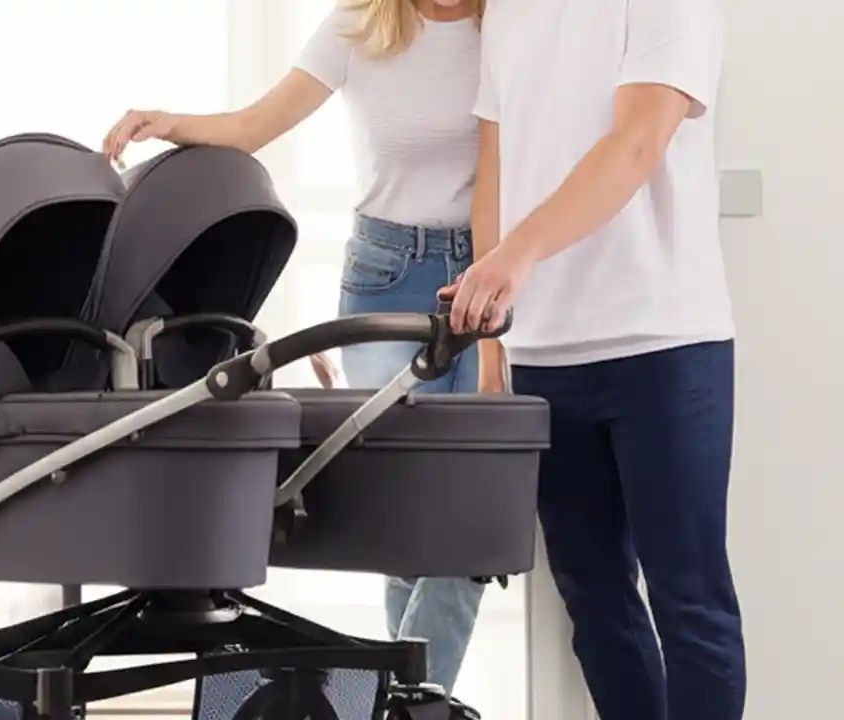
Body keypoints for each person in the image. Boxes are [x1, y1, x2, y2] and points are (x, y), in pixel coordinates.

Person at [103, 0, 489, 694]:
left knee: (467, 528)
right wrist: (169, 124)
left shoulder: (512, 29)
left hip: (490, 268)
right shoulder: (359, 27)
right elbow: (255, 124)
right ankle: (413, 701)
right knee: (406, 530)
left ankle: (403, 701)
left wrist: (496, 305)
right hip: (389, 277)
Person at [448, 1, 746, 718]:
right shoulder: (507, 13)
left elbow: (639, 141)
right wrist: (495, 348)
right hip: (542, 349)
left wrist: (519, 252)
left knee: (690, 600)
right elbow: (496, 166)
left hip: (665, 339)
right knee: (593, 598)